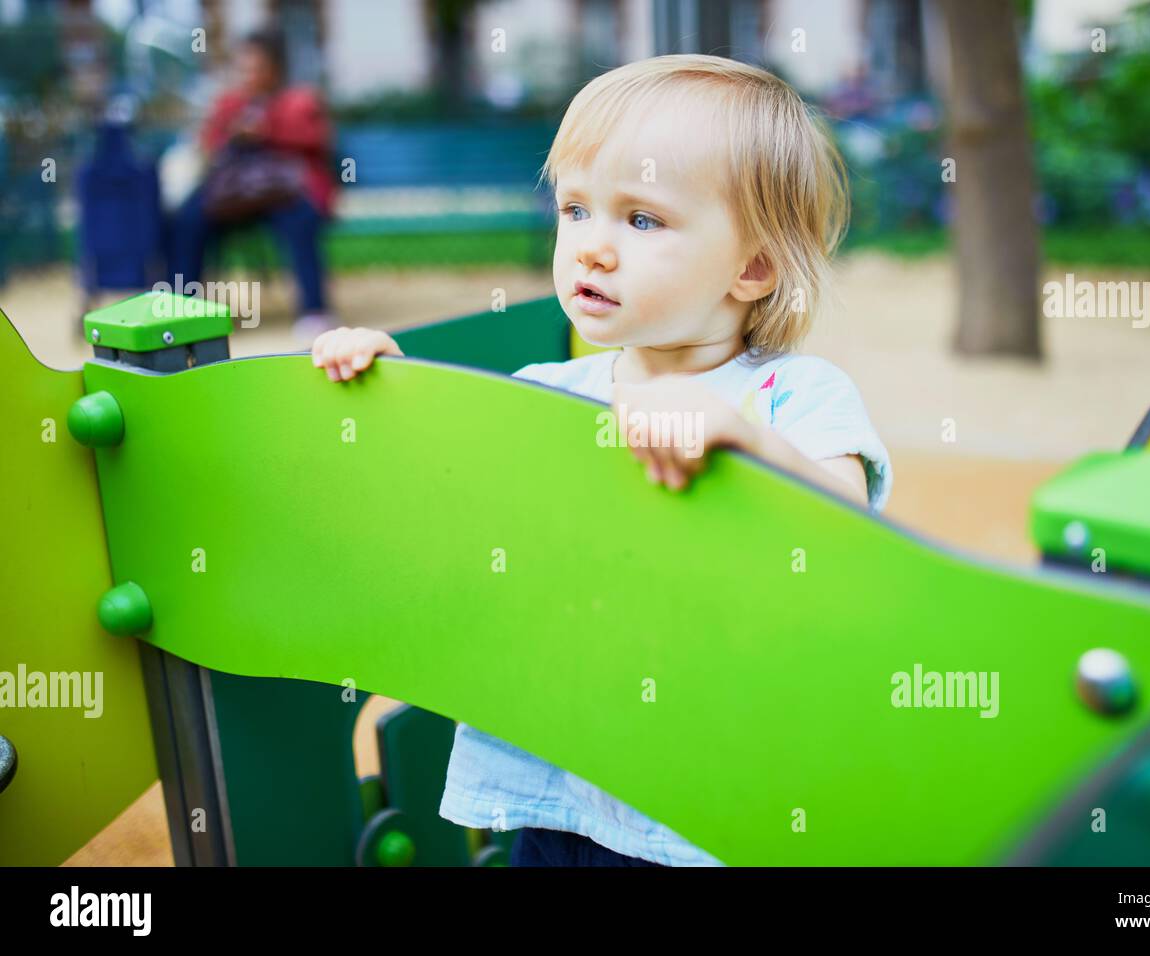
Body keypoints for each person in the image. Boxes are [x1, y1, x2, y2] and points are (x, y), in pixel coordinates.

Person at [309, 54, 892, 866]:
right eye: (576, 210)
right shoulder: (545, 390)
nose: (592, 248)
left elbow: (847, 529)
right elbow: (446, 490)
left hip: (710, 801)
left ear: (752, 267)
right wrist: (392, 387)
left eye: (641, 220)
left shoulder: (794, 395)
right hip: (557, 779)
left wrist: (746, 439)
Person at [168, 28, 336, 342]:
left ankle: (315, 310)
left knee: (300, 218)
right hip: (236, 196)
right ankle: (179, 309)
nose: (249, 75)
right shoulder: (229, 104)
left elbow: (318, 141)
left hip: (285, 192)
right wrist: (233, 133)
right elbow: (210, 146)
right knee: (188, 218)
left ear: (276, 69)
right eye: (243, 68)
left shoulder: (299, 100)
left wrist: (268, 130)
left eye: (257, 68)